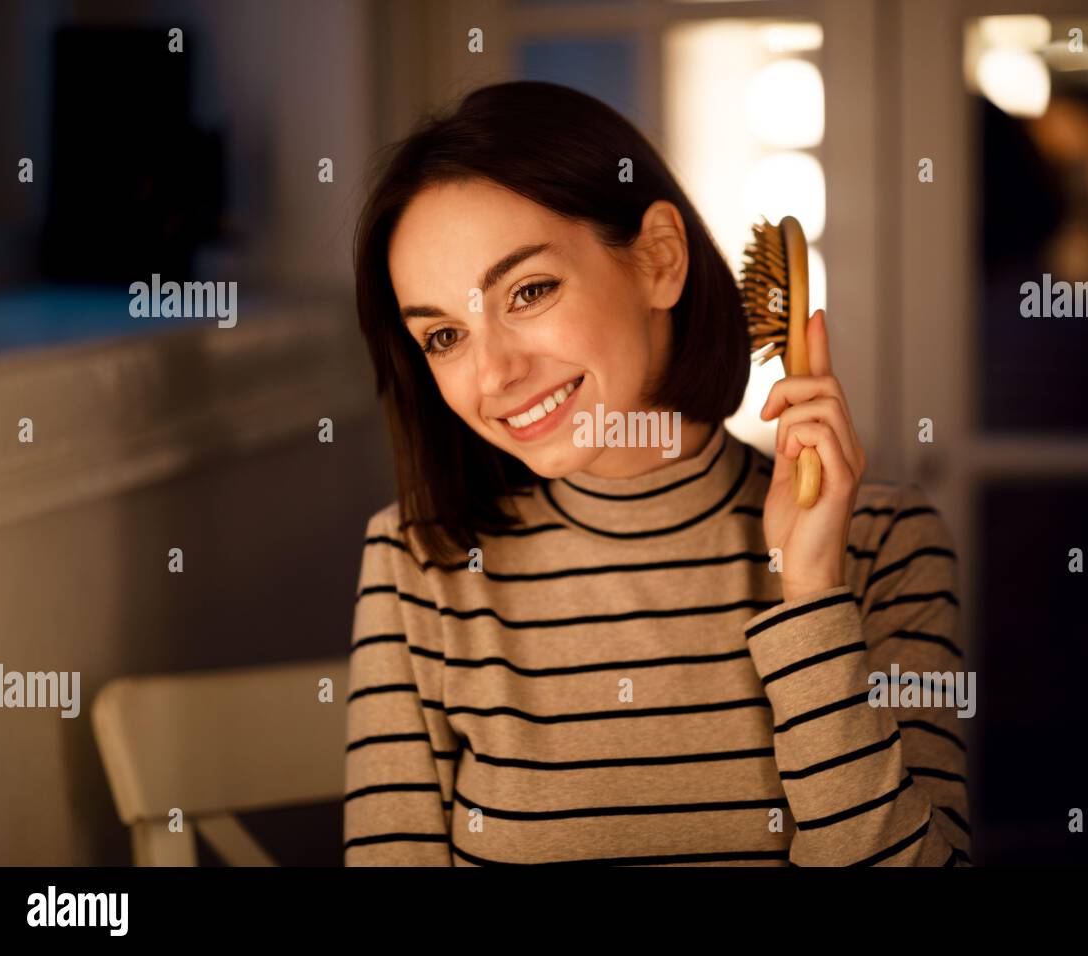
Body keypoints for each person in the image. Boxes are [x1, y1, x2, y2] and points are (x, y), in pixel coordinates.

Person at [344, 80, 970, 866]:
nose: (494, 373)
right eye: (443, 337)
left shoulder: (884, 545)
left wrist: (811, 593)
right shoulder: (418, 563)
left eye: (529, 292)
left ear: (659, 261)